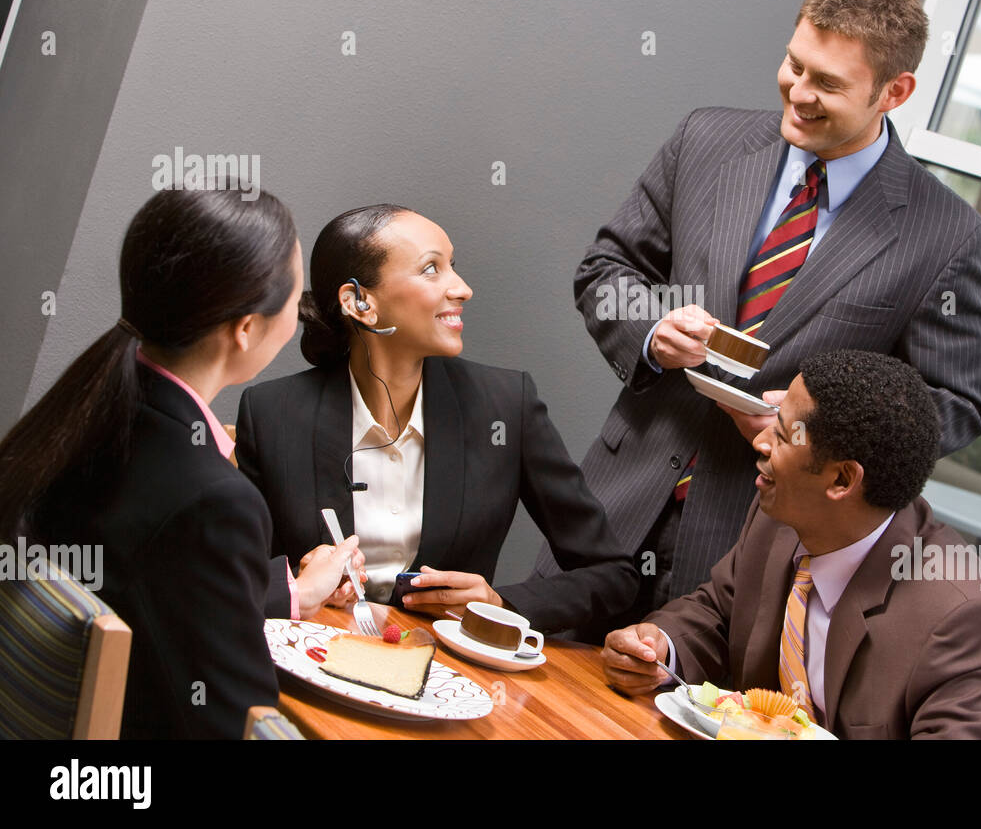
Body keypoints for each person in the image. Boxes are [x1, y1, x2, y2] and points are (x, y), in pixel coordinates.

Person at [535, 0, 981, 630]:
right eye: (793, 64)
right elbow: (606, 269)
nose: (798, 94)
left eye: (828, 83)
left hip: (753, 554)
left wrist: (827, 423)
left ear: (895, 91)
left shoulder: (943, 234)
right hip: (608, 511)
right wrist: (652, 329)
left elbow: (958, 404)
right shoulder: (706, 141)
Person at [0, 186, 359, 739]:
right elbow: (239, 723)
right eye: (292, 298)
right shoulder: (214, 499)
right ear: (245, 329)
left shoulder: (92, 417)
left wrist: (294, 591)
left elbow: (141, 573)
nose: (301, 310)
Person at [236, 204, 639, 634]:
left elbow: (614, 575)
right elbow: (231, 584)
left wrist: (499, 604)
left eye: (453, 266)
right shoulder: (270, 414)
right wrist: (296, 581)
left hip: (453, 687)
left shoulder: (506, 406)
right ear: (359, 302)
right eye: (432, 269)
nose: (463, 289)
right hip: (311, 673)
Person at [600, 350, 981, 739]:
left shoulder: (961, 617)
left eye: (782, 436)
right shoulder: (778, 516)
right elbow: (718, 613)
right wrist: (659, 647)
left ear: (841, 480)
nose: (760, 443)